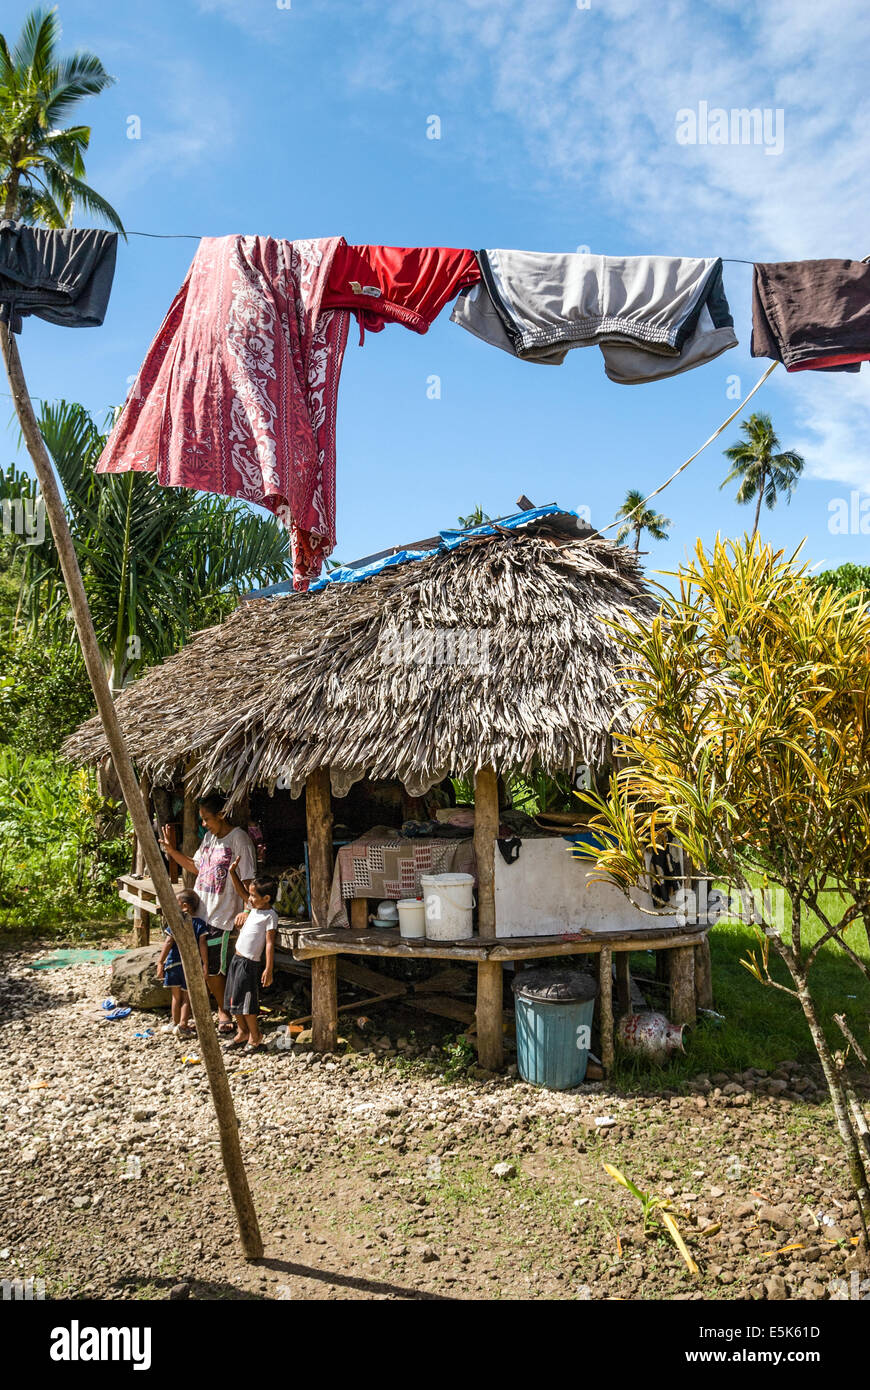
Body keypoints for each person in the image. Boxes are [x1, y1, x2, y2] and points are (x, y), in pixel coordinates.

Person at [159, 795, 256, 1033]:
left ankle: (224, 1011)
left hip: (222, 914)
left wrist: (247, 909)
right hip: (202, 911)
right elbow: (195, 866)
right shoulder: (210, 839)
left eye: (207, 819)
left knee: (214, 968)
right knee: (204, 965)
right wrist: (171, 852)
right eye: (201, 820)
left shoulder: (239, 840)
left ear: (222, 815)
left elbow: (248, 879)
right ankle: (211, 1011)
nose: (203, 824)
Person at [223, 858, 278, 1051]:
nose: (250, 898)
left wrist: (268, 968)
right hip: (237, 959)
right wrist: (232, 873)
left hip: (249, 963)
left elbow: (269, 943)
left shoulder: (270, 916)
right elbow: (241, 892)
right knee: (232, 999)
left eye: (254, 896)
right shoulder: (255, 908)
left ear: (267, 898)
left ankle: (255, 1036)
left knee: (246, 1003)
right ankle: (242, 1032)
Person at [155, 888, 210, 1036]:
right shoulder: (200, 924)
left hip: (173, 963)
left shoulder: (175, 923)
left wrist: (161, 962)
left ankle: (174, 1022)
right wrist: (205, 964)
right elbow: (202, 944)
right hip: (190, 966)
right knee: (187, 997)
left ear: (184, 906)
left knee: (176, 996)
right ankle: (183, 1025)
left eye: (175, 903)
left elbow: (168, 943)